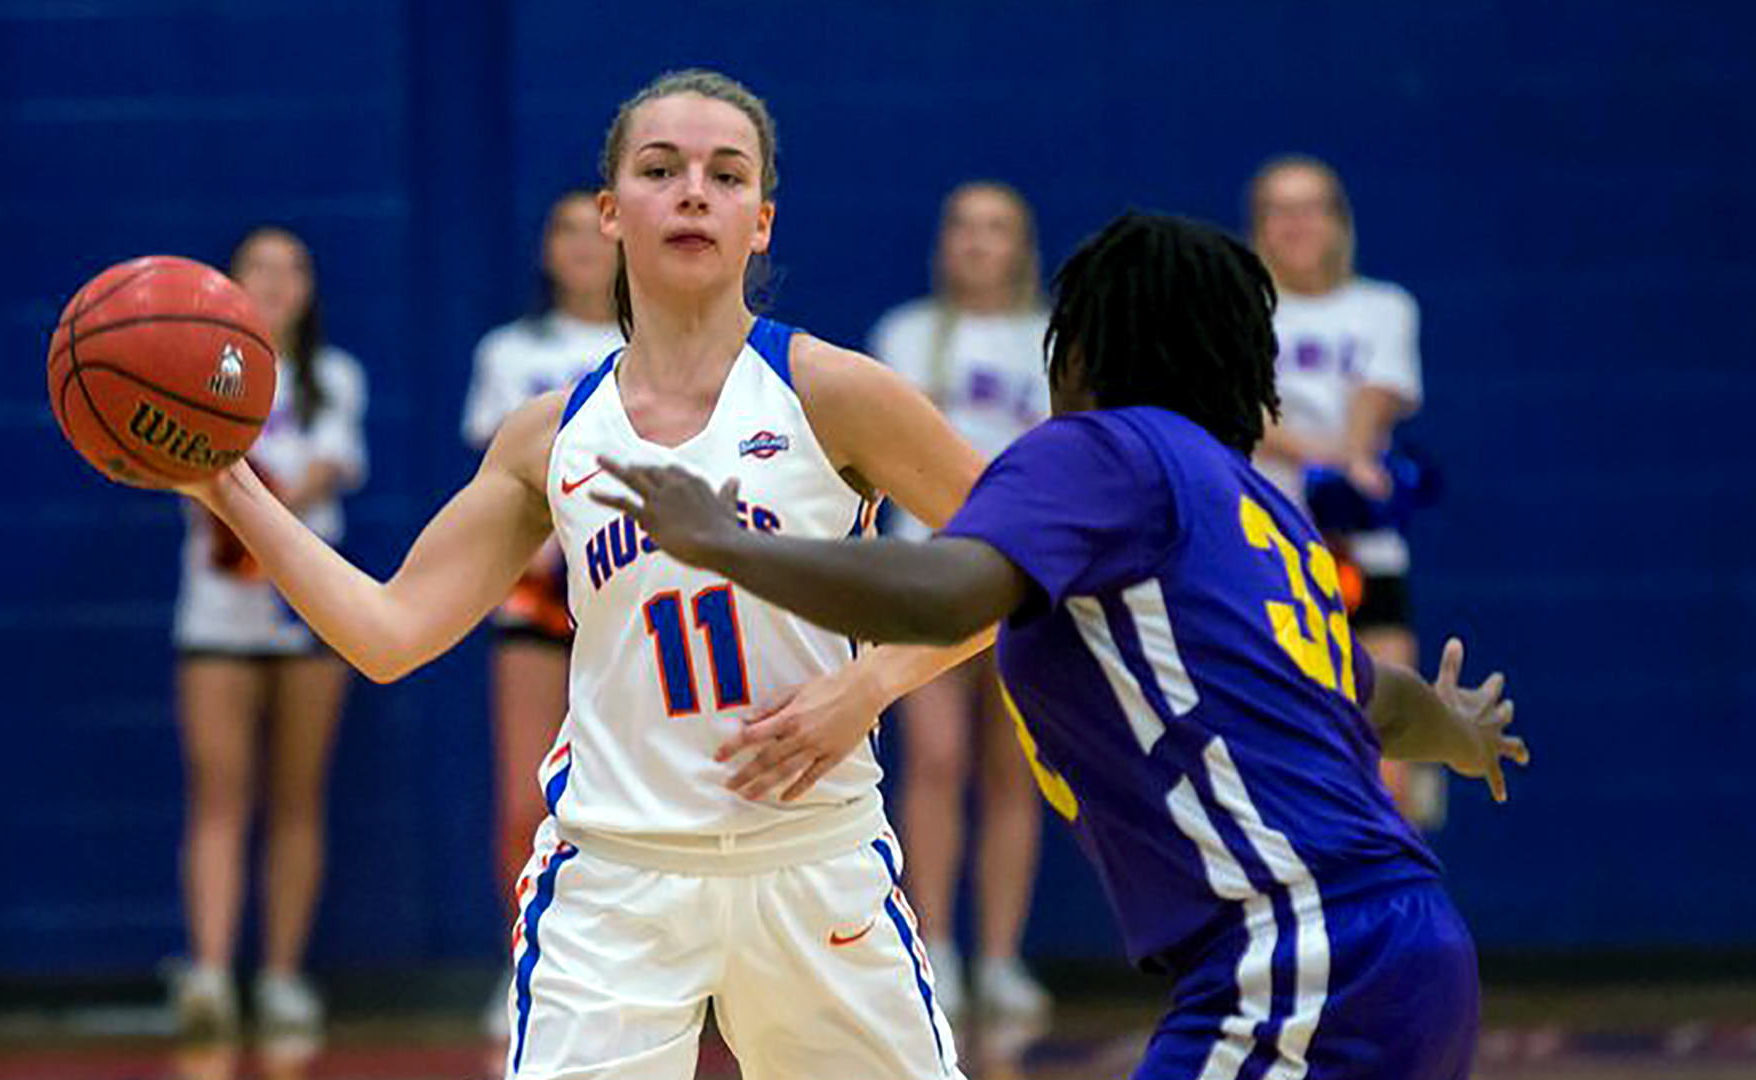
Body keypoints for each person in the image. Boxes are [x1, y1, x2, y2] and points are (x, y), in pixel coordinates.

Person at [180, 70, 996, 1079]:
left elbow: (1022, 561)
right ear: (611, 213)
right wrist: (228, 484)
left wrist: (867, 686)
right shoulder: (549, 435)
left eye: (725, 174)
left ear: (762, 223)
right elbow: (388, 634)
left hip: (815, 861)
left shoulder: (832, 393)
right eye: (661, 170)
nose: (694, 191)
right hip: (618, 881)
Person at [596, 211, 1528, 1080]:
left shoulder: (1097, 451)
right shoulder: (1257, 511)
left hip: (1301, 951)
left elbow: (947, 591)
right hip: (1412, 946)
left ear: (1074, 348)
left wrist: (728, 545)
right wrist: (1456, 731)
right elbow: (1368, 697)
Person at [168, 226, 368, 1040]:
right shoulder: (186, 375)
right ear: (229, 282)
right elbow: (192, 488)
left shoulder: (333, 378)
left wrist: (248, 506)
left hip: (309, 610)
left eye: (296, 268)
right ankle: (211, 974)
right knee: (218, 796)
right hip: (216, 612)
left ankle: (282, 976)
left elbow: (311, 479)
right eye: (261, 266)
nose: (279, 281)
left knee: (297, 796)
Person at [867, 180, 1050, 1017]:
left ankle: (1003, 956)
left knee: (1013, 768)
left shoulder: (1051, 337)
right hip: (926, 571)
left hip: (1026, 572)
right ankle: (932, 941)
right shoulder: (904, 336)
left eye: (996, 228)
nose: (979, 242)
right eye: (964, 227)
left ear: (1021, 245)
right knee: (936, 760)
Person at [460, 189, 622, 1036]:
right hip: (533, 586)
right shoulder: (509, 352)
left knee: (637, 783)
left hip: (633, 588)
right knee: (526, 792)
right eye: (562, 230)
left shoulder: (651, 347)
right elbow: (501, 480)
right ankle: (524, 955)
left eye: (592, 231)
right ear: (547, 251)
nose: (582, 247)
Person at [1246, 156, 1440, 826]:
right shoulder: (1241, 307)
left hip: (1364, 547)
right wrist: (1333, 460)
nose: (1295, 224)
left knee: (1389, 744)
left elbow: (1380, 391)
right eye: (1278, 208)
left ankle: (1400, 919)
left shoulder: (1382, 306)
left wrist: (1352, 457)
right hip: (1266, 550)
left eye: (1310, 208)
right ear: (1258, 225)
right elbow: (1245, 409)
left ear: (1337, 222)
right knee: (1285, 744)